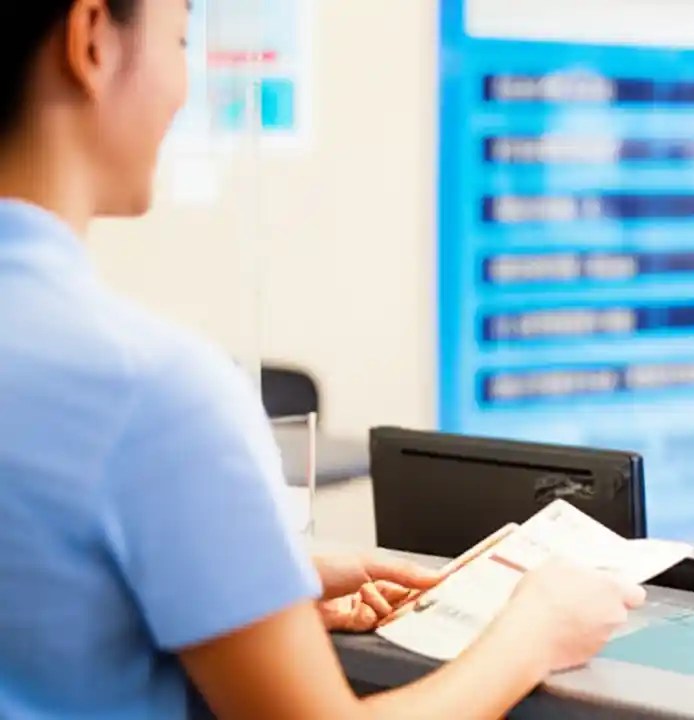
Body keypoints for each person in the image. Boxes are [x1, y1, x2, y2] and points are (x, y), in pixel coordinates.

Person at [0, 1, 644, 718]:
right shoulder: (146, 389)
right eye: (181, 39)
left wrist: (254, 591)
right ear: (91, 39)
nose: (186, 87)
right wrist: (534, 632)